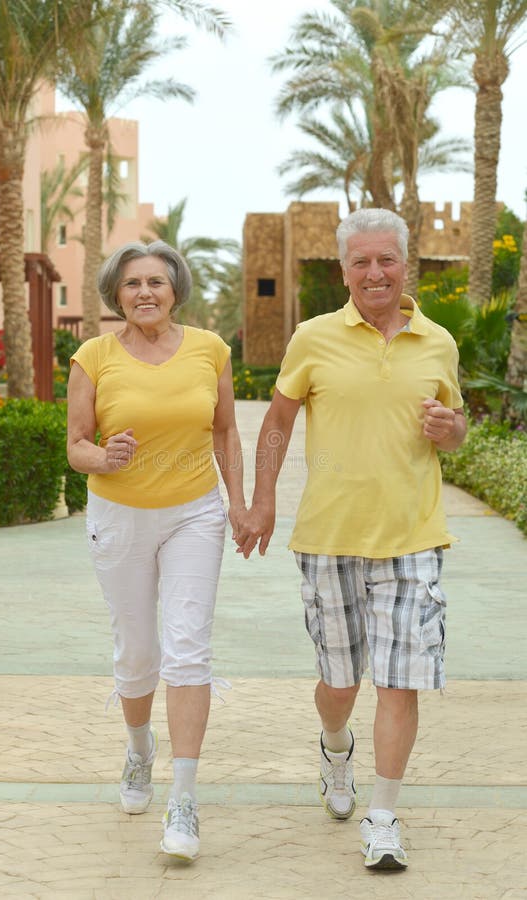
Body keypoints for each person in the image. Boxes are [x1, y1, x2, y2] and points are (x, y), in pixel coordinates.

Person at [237, 208, 466, 870]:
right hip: (329, 536)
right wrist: (259, 501)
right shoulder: (312, 338)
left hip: (411, 536)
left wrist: (447, 429)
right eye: (361, 262)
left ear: (405, 265)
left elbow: (455, 431)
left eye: (385, 260)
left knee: (400, 681)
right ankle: (335, 748)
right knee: (339, 681)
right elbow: (278, 421)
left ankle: (384, 815)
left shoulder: (437, 343)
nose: (374, 272)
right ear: (342, 270)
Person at [66, 240, 245, 861]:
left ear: (176, 290)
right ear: (117, 294)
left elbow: (225, 429)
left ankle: (185, 799)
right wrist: (103, 455)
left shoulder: (210, 350)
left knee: (188, 648)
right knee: (137, 650)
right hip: (118, 517)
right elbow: (76, 446)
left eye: (157, 283)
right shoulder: (93, 357)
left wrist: (240, 502)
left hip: (195, 512)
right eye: (133, 283)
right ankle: (139, 750)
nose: (145, 292)